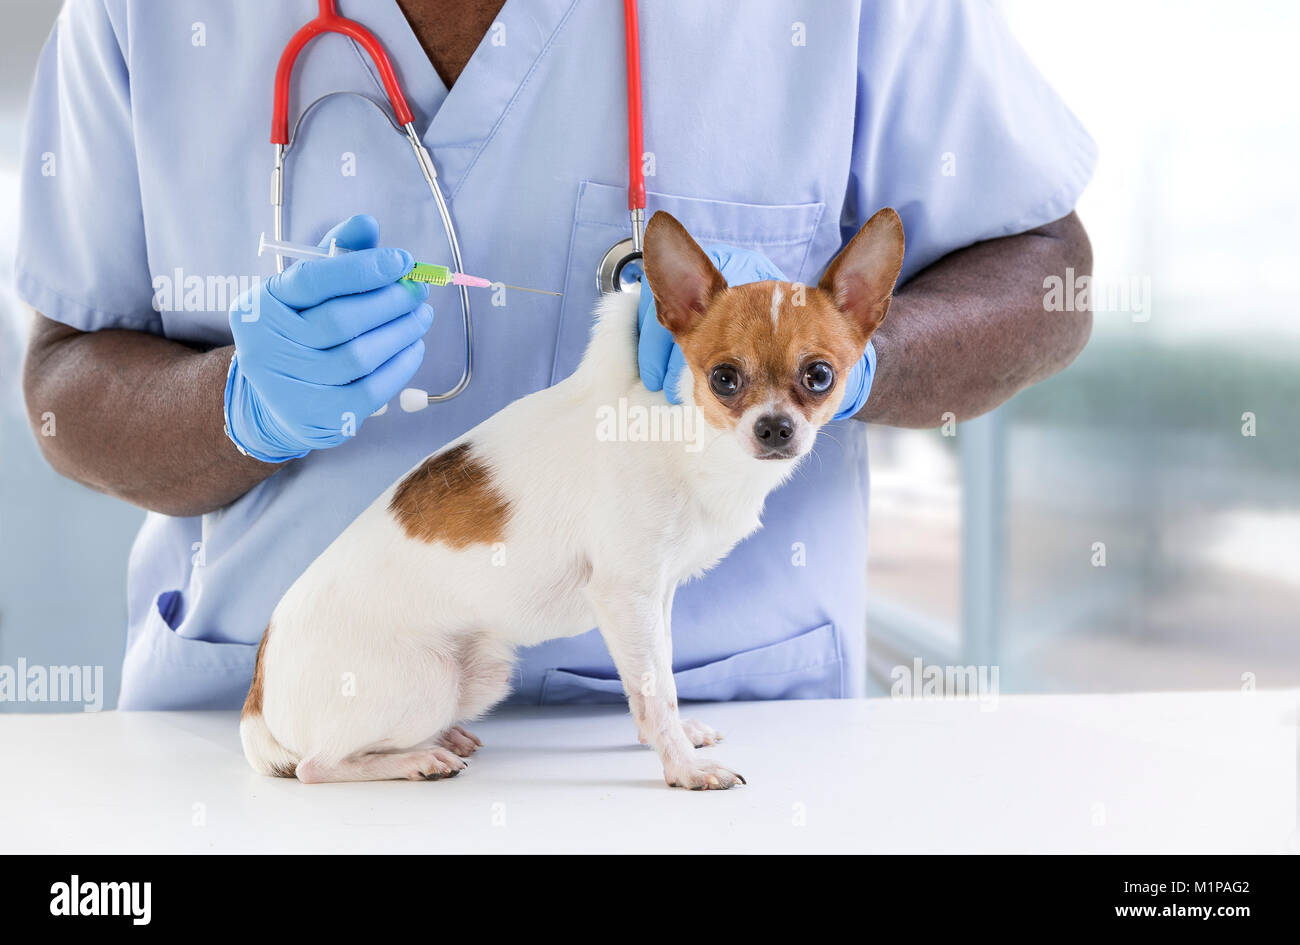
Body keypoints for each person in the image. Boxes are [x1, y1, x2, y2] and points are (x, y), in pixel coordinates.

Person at [17, 0, 1094, 709]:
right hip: (298, 735)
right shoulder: (143, 17)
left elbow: (1053, 275)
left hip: (730, 746)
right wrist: (237, 406)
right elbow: (62, 381)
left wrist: (847, 358)